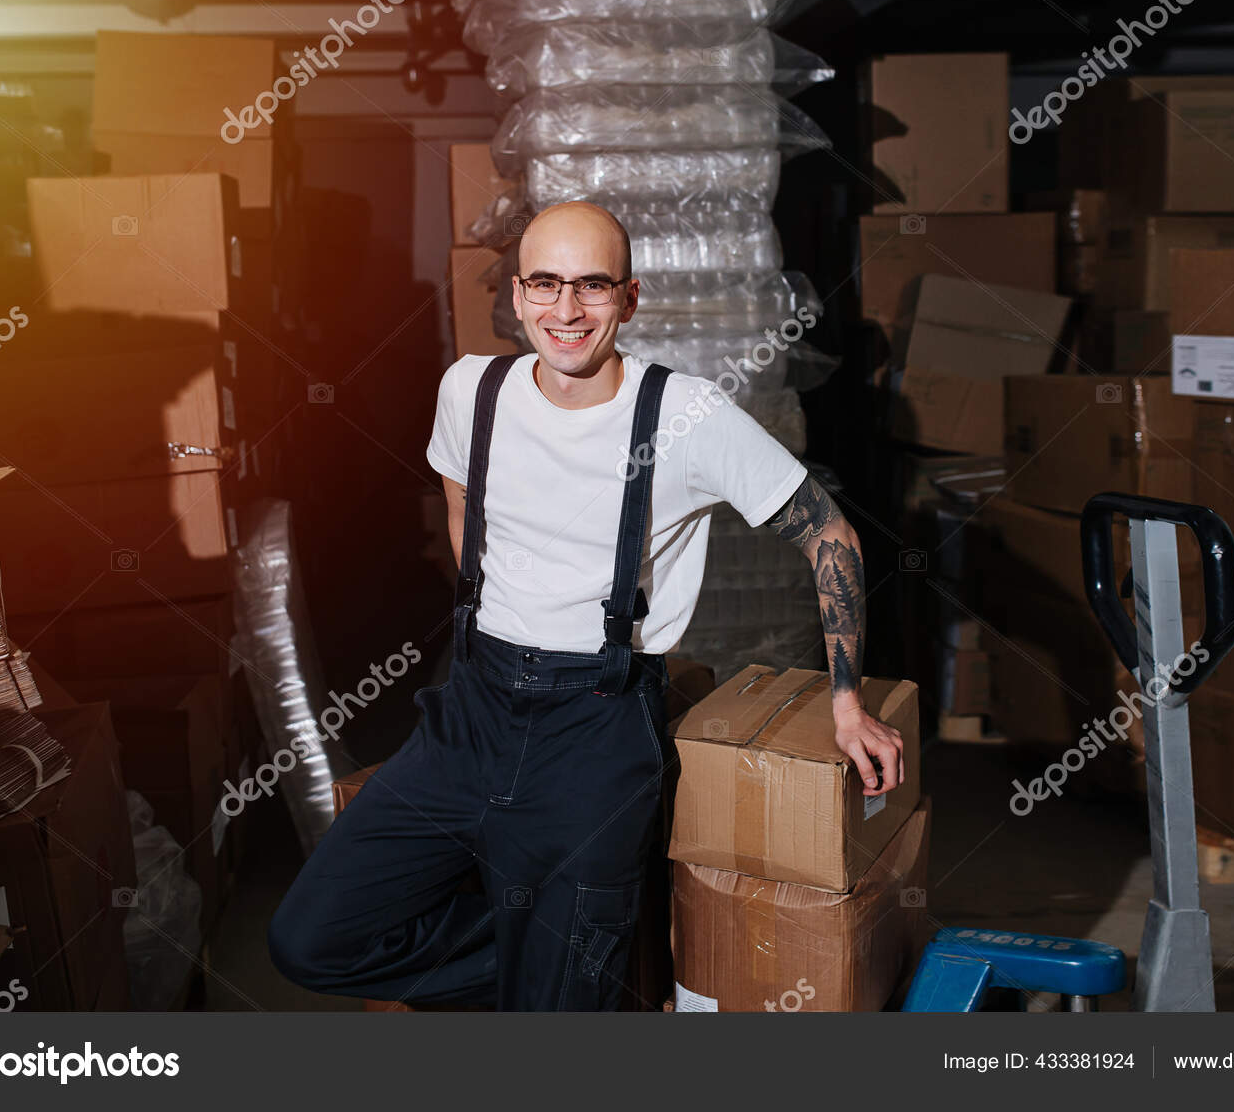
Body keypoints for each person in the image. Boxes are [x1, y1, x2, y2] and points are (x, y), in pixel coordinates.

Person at [267, 200, 903, 1011]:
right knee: (313, 938)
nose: (566, 310)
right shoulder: (473, 390)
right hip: (471, 713)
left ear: (629, 298)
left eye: (592, 286)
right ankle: (576, 965)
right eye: (545, 283)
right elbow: (464, 507)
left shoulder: (684, 415)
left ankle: (572, 976)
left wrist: (847, 700)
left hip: (594, 732)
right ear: (518, 293)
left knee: (557, 1015)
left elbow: (831, 535)